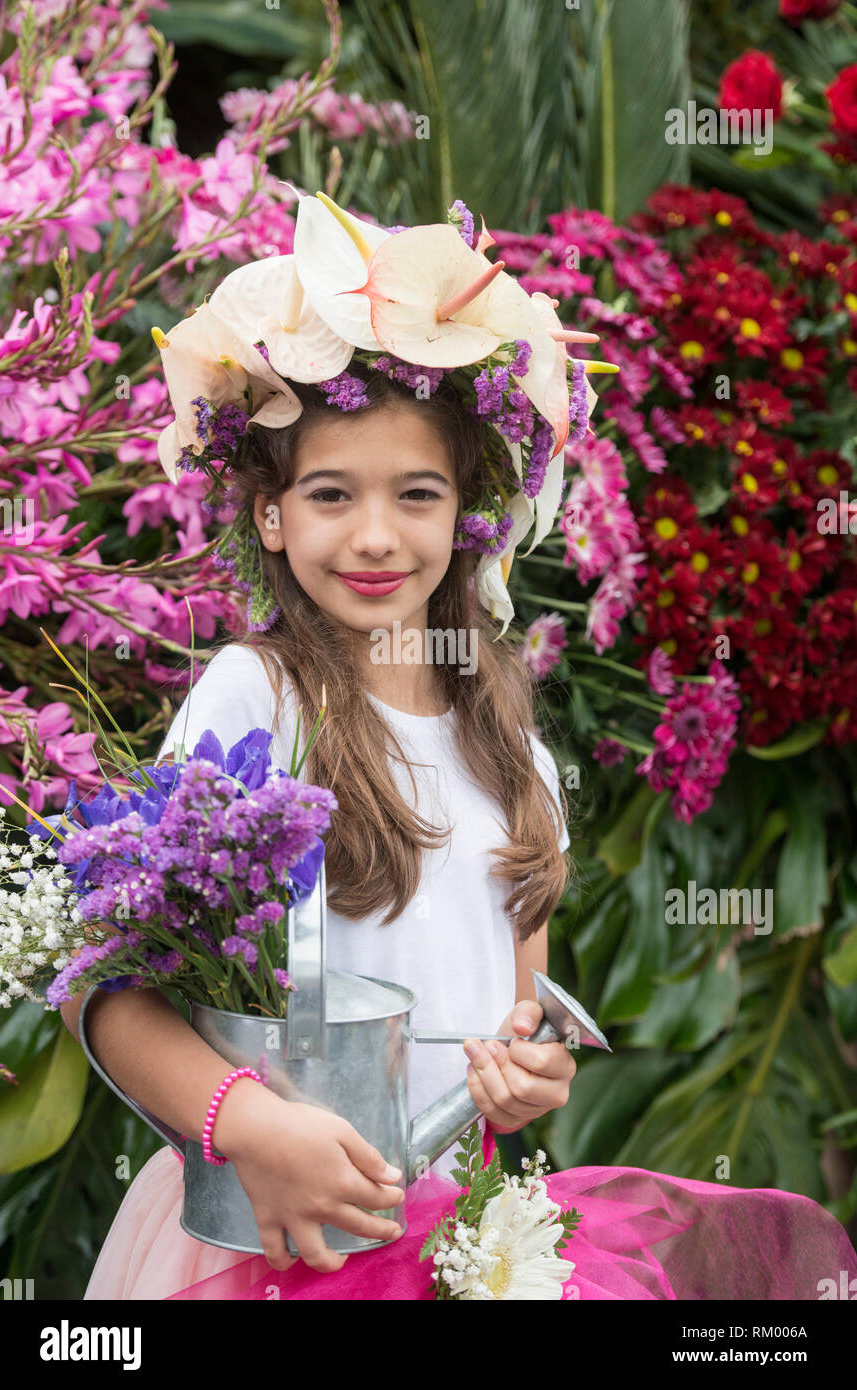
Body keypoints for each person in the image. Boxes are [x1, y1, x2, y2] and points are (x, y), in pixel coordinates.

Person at [59, 194, 857, 1301]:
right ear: (272, 513)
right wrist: (241, 1121)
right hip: (268, 1237)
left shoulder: (508, 740)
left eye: (417, 494)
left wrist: (529, 1071)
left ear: (468, 514)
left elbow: (513, 1008)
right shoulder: (259, 695)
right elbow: (105, 984)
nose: (377, 534)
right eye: (332, 493)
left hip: (456, 1237)